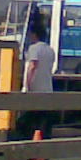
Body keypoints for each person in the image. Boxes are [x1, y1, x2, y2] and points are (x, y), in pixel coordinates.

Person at [21, 13, 58, 142]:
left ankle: (28, 145)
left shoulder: (33, 49)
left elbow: (32, 66)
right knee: (45, 121)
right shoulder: (50, 50)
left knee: (28, 121)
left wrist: (27, 84)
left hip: (35, 89)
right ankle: (44, 149)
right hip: (48, 88)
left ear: (34, 35)